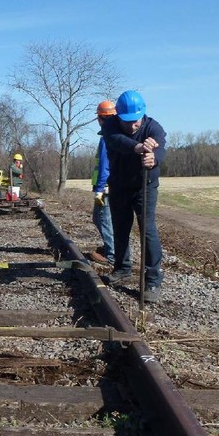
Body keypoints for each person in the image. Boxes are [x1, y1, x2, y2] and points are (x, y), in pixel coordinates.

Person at [101, 90, 167, 304]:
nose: (132, 126)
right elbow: (115, 140)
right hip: (119, 185)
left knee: (147, 229)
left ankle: (153, 279)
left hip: (144, 186)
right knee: (121, 227)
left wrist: (153, 159)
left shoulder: (153, 127)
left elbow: (161, 148)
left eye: (135, 122)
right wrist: (137, 147)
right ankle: (122, 268)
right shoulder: (110, 126)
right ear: (118, 116)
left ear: (143, 115)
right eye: (126, 122)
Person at [89, 100, 116, 265]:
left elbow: (105, 166)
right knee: (99, 218)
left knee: (104, 220)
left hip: (105, 188)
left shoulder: (107, 138)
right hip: (108, 186)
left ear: (101, 118)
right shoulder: (115, 135)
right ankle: (111, 248)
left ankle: (112, 255)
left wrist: (99, 188)